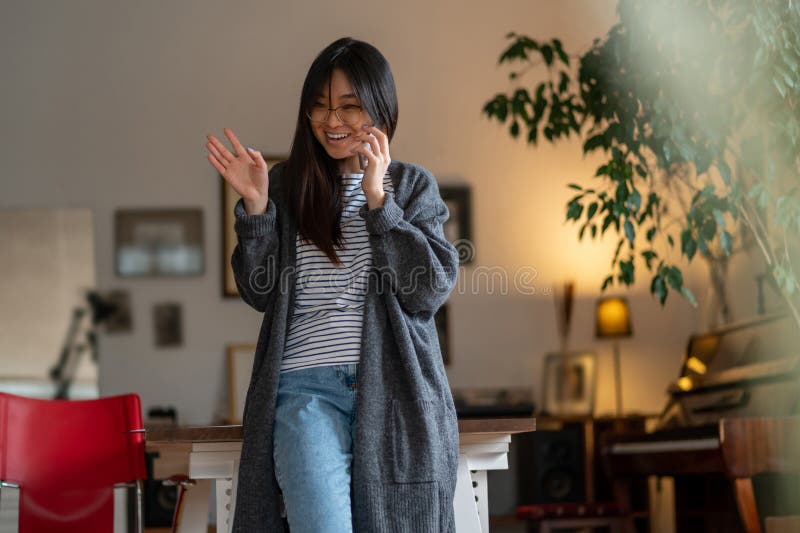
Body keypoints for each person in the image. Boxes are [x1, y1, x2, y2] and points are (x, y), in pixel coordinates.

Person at [205, 37, 460, 533]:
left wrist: (379, 203)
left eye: (349, 106)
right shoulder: (284, 185)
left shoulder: (411, 187)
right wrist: (257, 210)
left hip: (393, 392)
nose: (332, 121)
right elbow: (259, 291)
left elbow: (427, 290)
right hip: (304, 392)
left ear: (380, 108)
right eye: (319, 107)